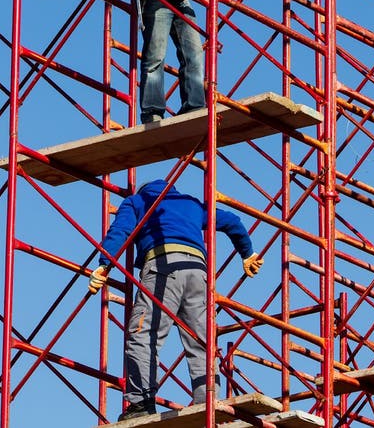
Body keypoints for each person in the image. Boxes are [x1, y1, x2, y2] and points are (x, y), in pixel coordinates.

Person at [88, 178, 264, 421]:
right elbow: (232, 221)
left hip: (162, 267)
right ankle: (208, 401)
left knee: (144, 334)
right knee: (201, 340)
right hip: (198, 273)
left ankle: (140, 403)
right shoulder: (190, 204)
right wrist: (247, 253)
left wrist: (104, 265)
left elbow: (121, 231)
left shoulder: (137, 202)